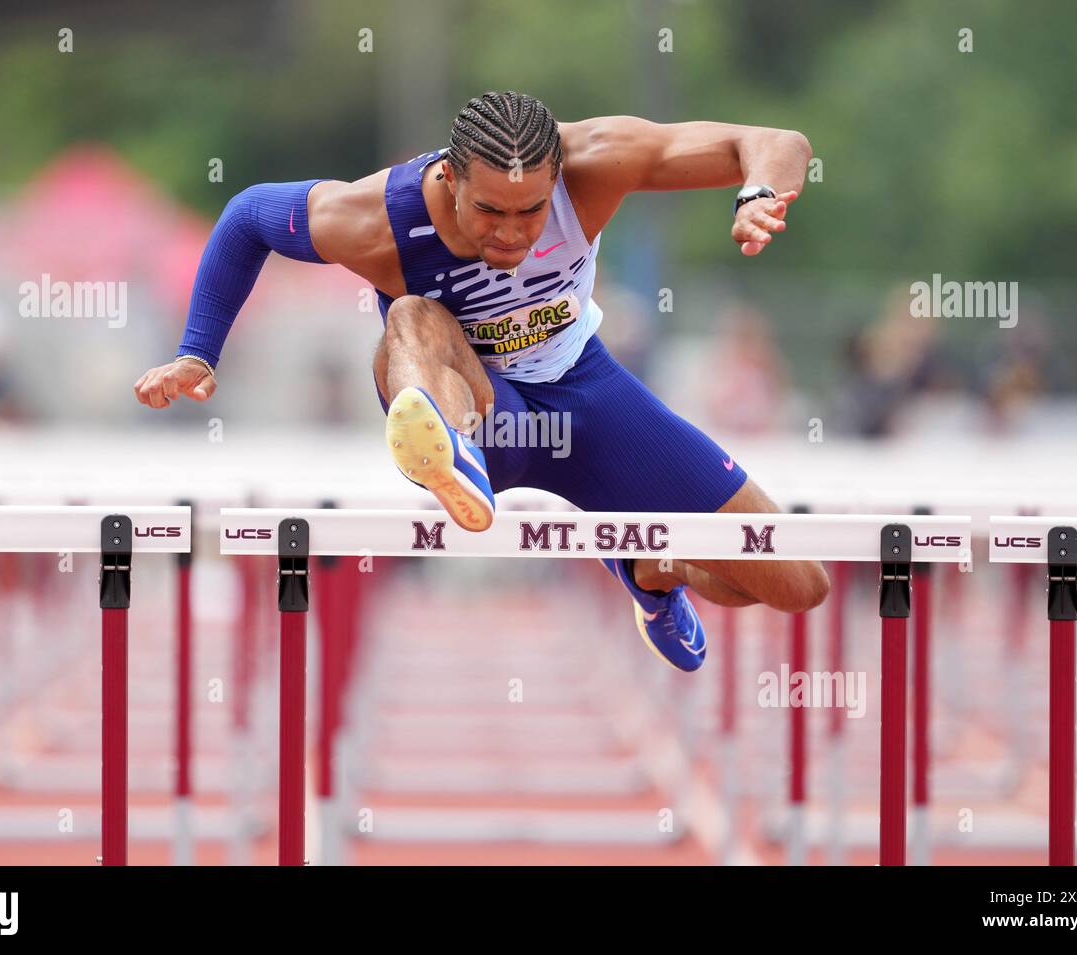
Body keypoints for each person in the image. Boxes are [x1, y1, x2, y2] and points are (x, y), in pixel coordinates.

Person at [135, 91, 829, 671]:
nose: (512, 234)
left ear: (557, 180)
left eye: (531, 212)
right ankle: (448, 454)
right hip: (480, 403)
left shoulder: (598, 160)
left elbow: (771, 139)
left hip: (588, 393)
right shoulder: (376, 218)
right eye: (489, 212)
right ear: (450, 180)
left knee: (797, 583)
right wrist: (200, 352)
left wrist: (759, 192)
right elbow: (247, 216)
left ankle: (652, 573)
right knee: (411, 313)